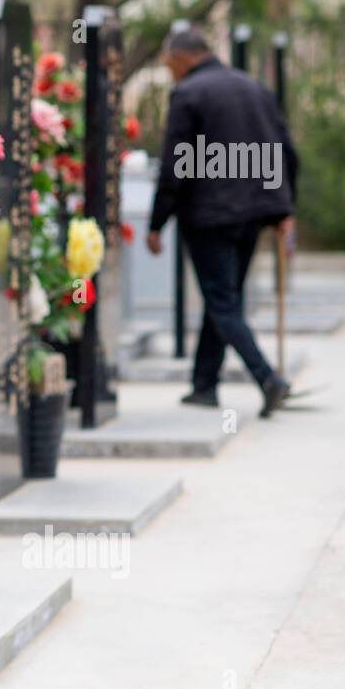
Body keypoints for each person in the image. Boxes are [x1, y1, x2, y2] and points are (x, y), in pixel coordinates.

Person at [146, 28, 297, 418]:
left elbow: (175, 164)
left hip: (209, 214)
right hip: (253, 213)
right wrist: (283, 209)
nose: (169, 71)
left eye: (168, 64)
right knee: (225, 299)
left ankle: (268, 379)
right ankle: (204, 385)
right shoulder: (255, 89)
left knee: (222, 302)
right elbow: (286, 151)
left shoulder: (189, 94)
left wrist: (156, 222)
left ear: (182, 57)